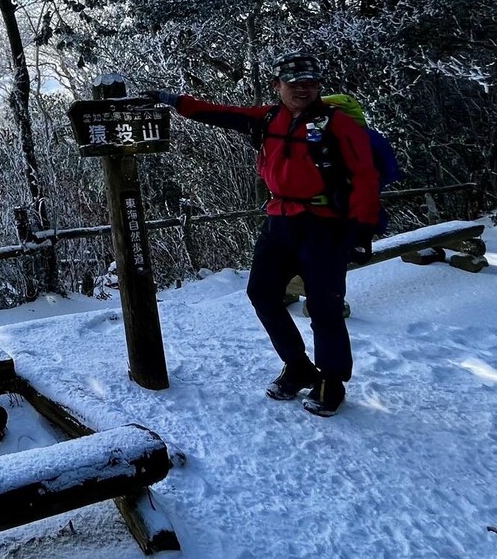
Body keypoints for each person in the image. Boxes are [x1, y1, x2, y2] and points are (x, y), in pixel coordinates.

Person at [143, 50, 380, 416]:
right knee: (262, 293)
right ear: (277, 85)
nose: (303, 89)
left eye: (310, 83)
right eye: (294, 83)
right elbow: (219, 113)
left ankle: (331, 380)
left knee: (324, 305)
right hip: (279, 221)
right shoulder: (268, 117)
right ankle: (298, 366)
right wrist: (172, 101)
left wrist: (362, 231)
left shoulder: (338, 125)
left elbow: (365, 176)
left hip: (325, 225)